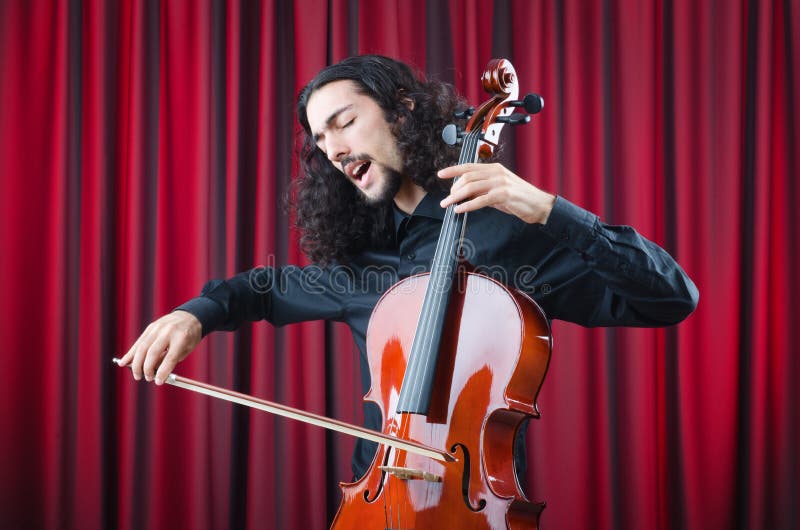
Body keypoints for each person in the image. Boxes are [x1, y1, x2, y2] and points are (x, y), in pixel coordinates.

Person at [117, 55, 699, 480]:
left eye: (344, 122)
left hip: (476, 499)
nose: (332, 149)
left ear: (404, 110)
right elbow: (261, 290)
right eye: (320, 138)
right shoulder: (362, 263)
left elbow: (669, 296)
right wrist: (194, 315)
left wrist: (549, 210)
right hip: (372, 498)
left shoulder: (507, 235)